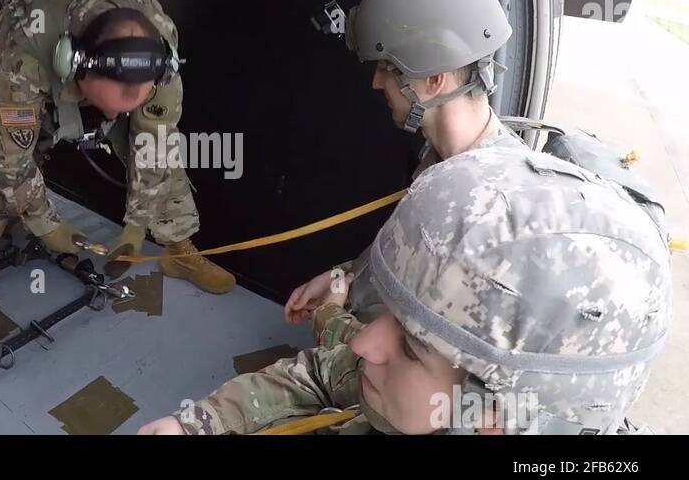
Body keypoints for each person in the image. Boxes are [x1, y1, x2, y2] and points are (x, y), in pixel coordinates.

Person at [138, 145, 672, 435]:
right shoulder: (441, 403)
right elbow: (332, 369)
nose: (369, 344)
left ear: (497, 420)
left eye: (414, 349)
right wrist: (195, 425)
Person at [0, 0, 236, 353]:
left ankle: (179, 250)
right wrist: (46, 225)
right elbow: (7, 158)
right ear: (71, 64)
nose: (112, 119)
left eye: (125, 108)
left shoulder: (159, 46)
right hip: (32, 79)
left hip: (97, 74)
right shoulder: (24, 50)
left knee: (162, 157)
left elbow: (155, 143)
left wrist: (137, 225)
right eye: (107, 106)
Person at [284, 0, 526, 344]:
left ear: (434, 79)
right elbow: (402, 258)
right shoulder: (446, 162)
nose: (376, 83)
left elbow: (407, 370)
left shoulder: (479, 214)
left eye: (387, 68)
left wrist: (329, 316)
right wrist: (342, 277)